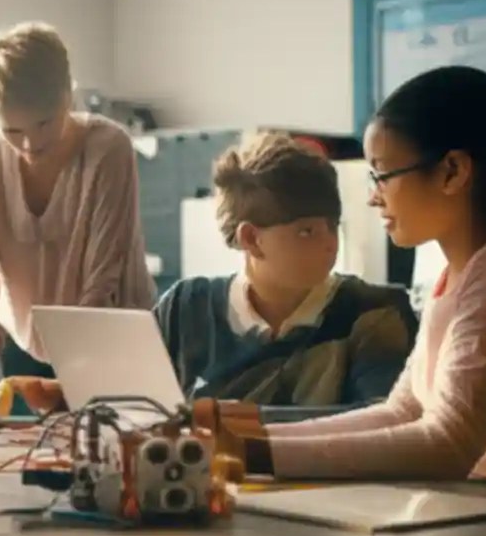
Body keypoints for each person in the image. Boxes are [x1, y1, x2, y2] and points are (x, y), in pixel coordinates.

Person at [200, 66, 486, 480]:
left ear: (453, 171)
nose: (372, 197)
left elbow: (447, 444)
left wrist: (249, 455)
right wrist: (242, 443)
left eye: (382, 174)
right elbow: (403, 411)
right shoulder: (461, 276)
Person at [0, 21, 155, 415]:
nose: (31, 144)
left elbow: (100, 285)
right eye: (12, 130)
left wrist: (71, 389)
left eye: (44, 123)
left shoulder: (109, 149)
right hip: (26, 346)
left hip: (112, 344)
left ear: (68, 94)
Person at [156, 132, 416, 408]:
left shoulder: (373, 312)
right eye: (307, 232)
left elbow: (380, 425)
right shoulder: (185, 309)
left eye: (333, 226)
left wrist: (220, 424)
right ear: (252, 240)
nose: (330, 244)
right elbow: (137, 411)